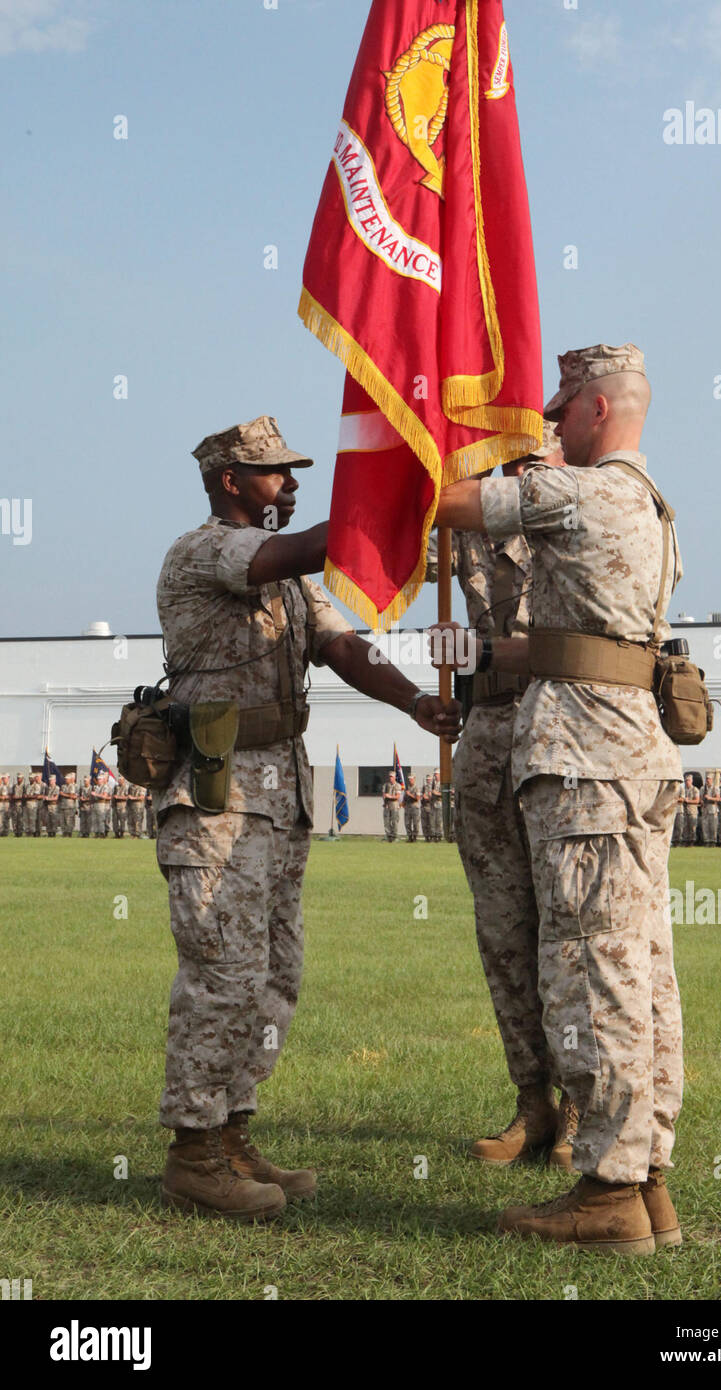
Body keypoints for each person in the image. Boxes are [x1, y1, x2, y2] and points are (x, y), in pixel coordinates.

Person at [153, 414, 460, 1223]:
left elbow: (342, 649)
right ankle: (193, 1149)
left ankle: (234, 1133)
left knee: (274, 976)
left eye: (293, 472)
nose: (289, 484)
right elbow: (309, 546)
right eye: (274, 473)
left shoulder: (287, 578)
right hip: (215, 800)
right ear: (230, 481)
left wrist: (417, 702)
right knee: (221, 972)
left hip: (278, 799)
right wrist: (393, 500)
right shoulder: (211, 550)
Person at [433, 342, 684, 1254]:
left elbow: (452, 501)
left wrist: (408, 453)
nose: (549, 420)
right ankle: (644, 1176)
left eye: (560, 407)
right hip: (625, 754)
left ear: (592, 411)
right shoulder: (649, 502)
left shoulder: (586, 491)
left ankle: (608, 1190)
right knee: (641, 970)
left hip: (587, 761)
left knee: (594, 969)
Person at [427, 426, 577, 1168]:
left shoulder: (583, 514)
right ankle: (532, 1104)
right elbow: (395, 558)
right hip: (488, 734)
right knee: (503, 932)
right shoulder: (469, 524)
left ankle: (584, 1103)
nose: (516, 473)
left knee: (569, 927)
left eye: (531, 460)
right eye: (504, 461)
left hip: (563, 734)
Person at [91, 772, 112, 837]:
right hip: (95, 804)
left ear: (103, 780)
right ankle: (96, 833)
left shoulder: (105, 787)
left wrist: (96, 794)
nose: (98, 780)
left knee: (101, 819)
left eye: (100, 779)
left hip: (101, 804)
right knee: (95, 819)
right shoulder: (96, 787)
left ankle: (102, 833)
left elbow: (104, 796)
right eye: (98, 779)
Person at [381, 772, 401, 842]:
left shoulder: (398, 785)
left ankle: (394, 836)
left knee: (394, 821)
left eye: (392, 776)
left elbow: (397, 796)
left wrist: (390, 796)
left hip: (394, 805)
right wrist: (385, 802)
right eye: (390, 776)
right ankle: (388, 836)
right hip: (387, 805)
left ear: (395, 777)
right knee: (386, 821)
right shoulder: (386, 785)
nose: (390, 778)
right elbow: (383, 795)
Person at [24, 771, 44, 837]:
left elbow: (36, 796)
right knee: (26, 819)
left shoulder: (37, 786)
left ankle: (32, 832)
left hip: (33, 804)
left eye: (32, 778)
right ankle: (27, 832)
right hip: (27, 804)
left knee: (32, 819)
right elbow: (25, 794)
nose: (30, 779)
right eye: (30, 778)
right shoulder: (27, 786)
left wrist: (28, 796)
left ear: (34, 778)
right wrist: (26, 796)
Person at [701, 774, 719, 846]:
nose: (708, 780)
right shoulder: (703, 789)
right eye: (707, 779)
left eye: (709, 779)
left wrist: (710, 798)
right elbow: (700, 798)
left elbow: (718, 798)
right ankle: (706, 841)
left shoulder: (715, 788)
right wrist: (702, 801)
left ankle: (713, 841)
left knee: (713, 826)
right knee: (705, 826)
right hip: (705, 809)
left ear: (712, 780)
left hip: (712, 808)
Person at [682, 774, 700, 846]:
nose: (687, 782)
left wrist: (688, 801)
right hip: (685, 811)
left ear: (691, 781)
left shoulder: (695, 789)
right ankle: (686, 841)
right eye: (686, 780)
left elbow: (697, 801)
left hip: (692, 811)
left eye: (688, 780)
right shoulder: (683, 790)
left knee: (693, 827)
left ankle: (692, 842)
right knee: (686, 827)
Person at [403, 775, 421, 842]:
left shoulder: (417, 788)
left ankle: (415, 837)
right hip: (407, 807)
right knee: (407, 823)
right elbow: (405, 797)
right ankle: (410, 837)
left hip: (414, 806)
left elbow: (418, 798)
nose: (410, 780)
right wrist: (403, 804)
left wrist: (410, 794)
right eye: (409, 779)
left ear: (414, 779)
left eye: (411, 779)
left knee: (415, 823)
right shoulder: (407, 788)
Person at [430, 771, 443, 841]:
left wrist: (436, 793)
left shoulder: (442, 783)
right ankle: (434, 835)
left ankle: (439, 835)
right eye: (435, 774)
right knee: (433, 820)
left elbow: (444, 793)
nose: (436, 775)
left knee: (439, 820)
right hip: (433, 803)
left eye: (437, 774)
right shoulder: (433, 783)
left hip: (439, 803)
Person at [420, 775, 433, 841]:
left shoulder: (433, 787)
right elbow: (420, 796)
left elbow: (434, 797)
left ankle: (431, 836)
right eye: (427, 779)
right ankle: (426, 836)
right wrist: (422, 796)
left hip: (430, 806)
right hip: (424, 806)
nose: (428, 780)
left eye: (429, 779)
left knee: (430, 823)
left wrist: (428, 797)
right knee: (424, 823)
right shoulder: (424, 787)